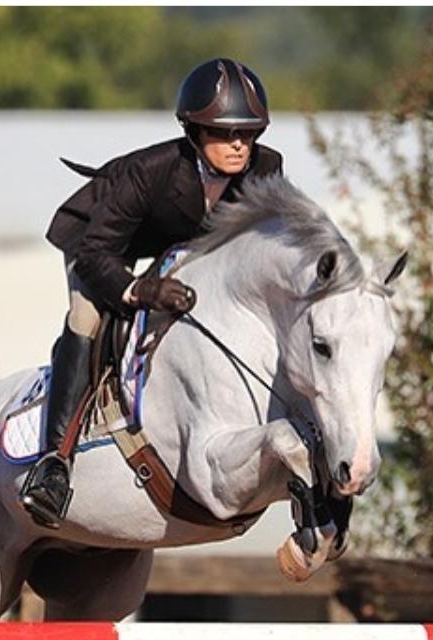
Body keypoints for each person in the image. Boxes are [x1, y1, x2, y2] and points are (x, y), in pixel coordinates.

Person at [21, 57, 284, 528]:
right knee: (87, 319)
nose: (239, 143)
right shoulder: (149, 172)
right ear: (194, 132)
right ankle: (53, 463)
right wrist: (140, 289)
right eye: (225, 133)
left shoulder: (267, 168)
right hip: (100, 244)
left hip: (175, 249)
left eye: (247, 132)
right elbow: (97, 255)